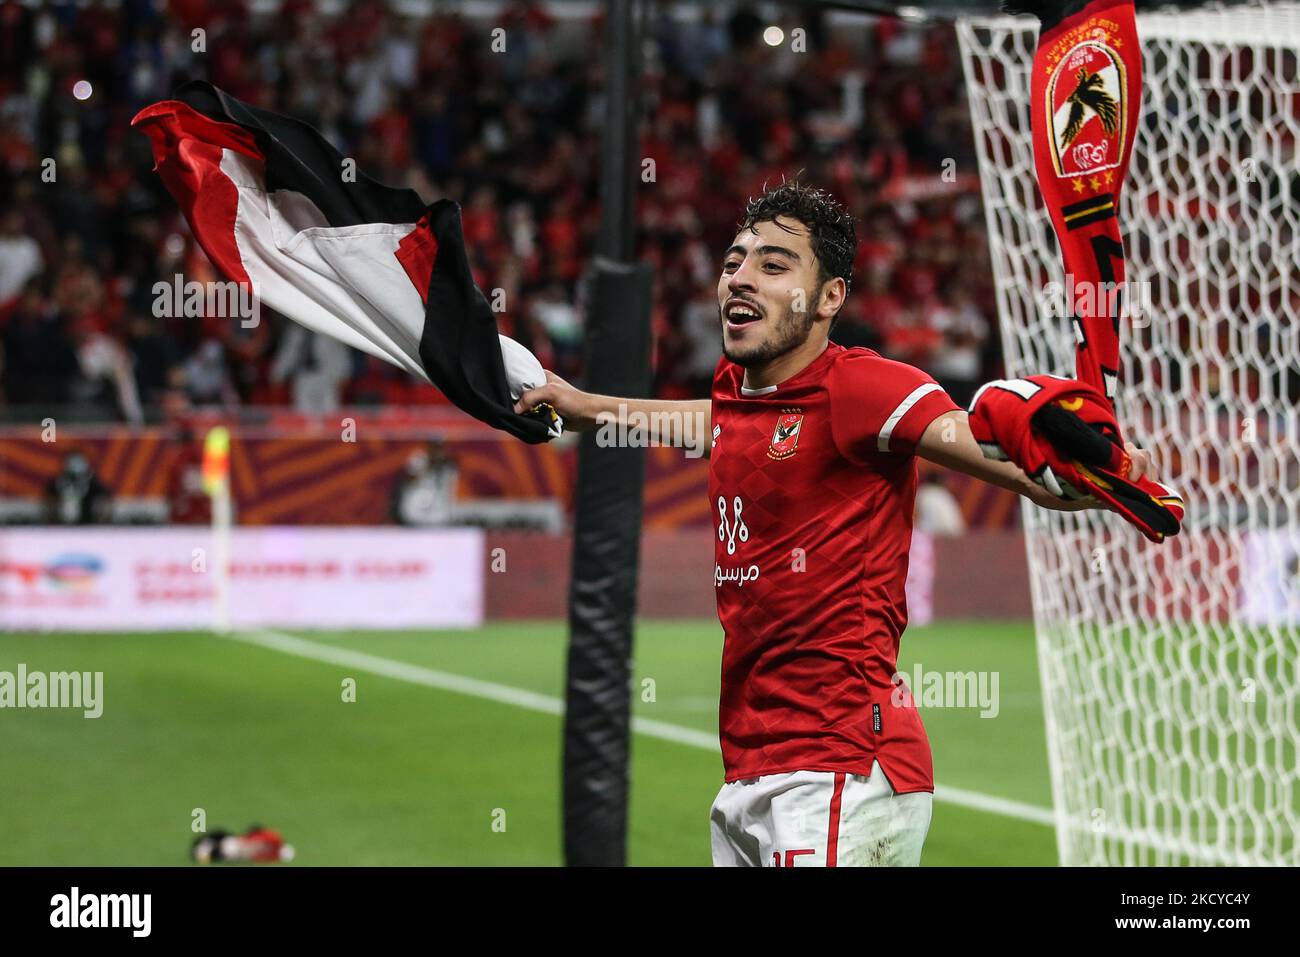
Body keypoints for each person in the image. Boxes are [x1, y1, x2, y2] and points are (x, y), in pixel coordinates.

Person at [517, 180, 1155, 868]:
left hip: (842, 772)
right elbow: (717, 425)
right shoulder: (739, 396)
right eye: (735, 260)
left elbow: (986, 450)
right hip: (754, 766)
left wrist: (1088, 468)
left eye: (773, 264)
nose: (741, 276)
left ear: (829, 299)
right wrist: (588, 407)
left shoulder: (865, 388)